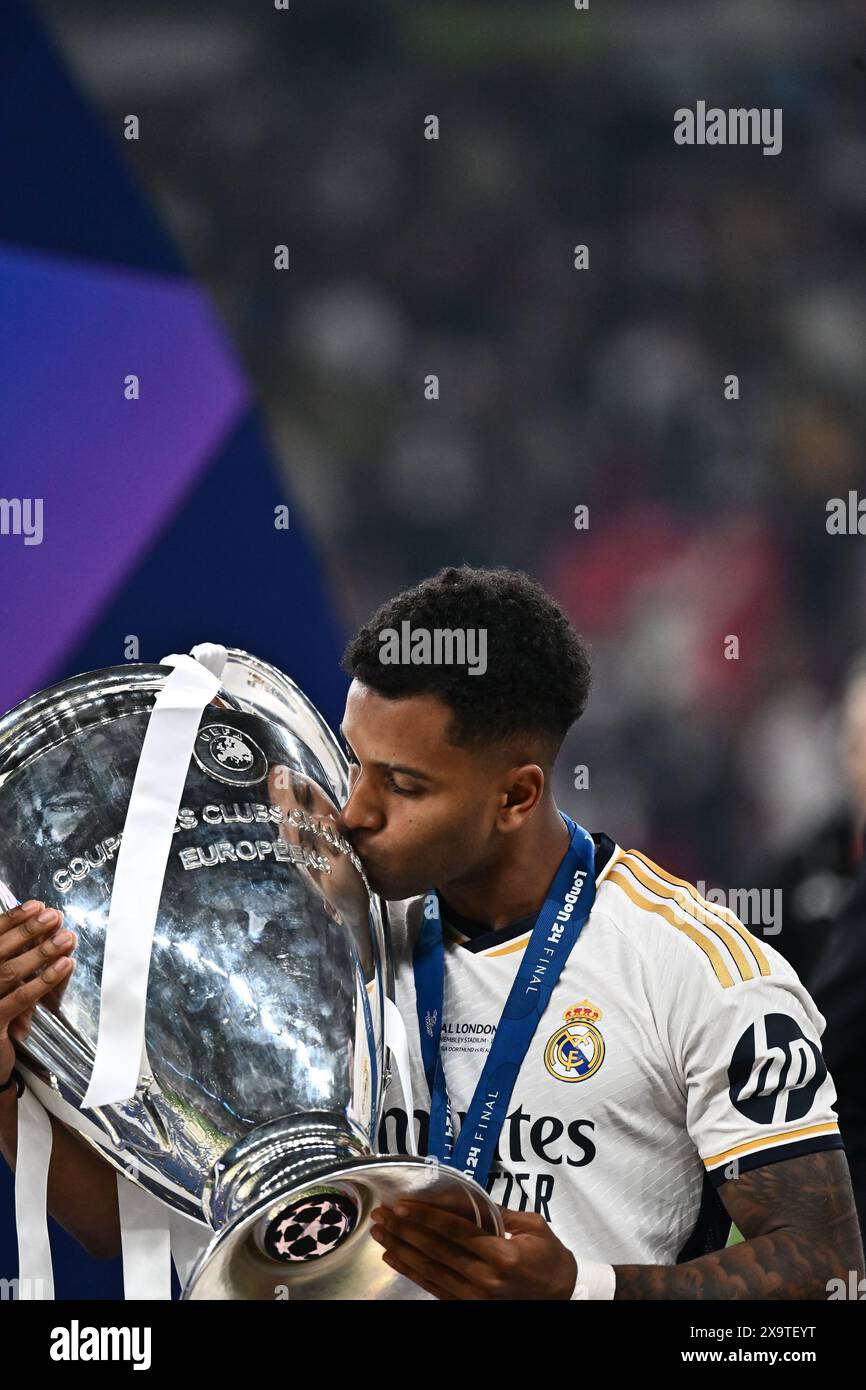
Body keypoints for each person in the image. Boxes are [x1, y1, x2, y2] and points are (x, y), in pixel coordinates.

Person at [1, 565, 863, 1300]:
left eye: (403, 786)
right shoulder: (321, 940)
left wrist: (583, 1289)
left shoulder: (699, 970)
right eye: (354, 762)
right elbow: (127, 1223)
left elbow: (827, 1270)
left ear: (517, 796)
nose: (354, 810)